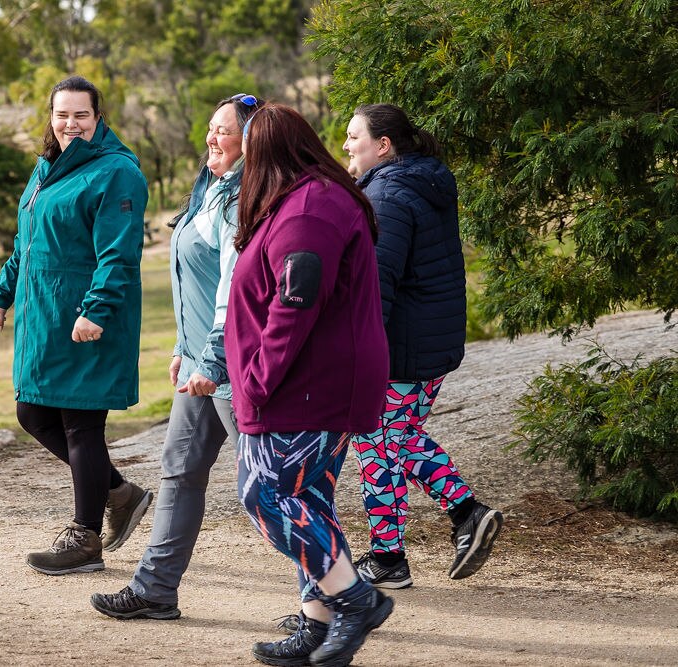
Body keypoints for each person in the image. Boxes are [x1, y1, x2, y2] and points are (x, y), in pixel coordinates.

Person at [90, 93, 265, 620]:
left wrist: (211, 362)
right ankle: (155, 590)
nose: (212, 138)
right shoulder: (209, 188)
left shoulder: (242, 201)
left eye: (224, 131)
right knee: (180, 471)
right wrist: (182, 350)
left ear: (251, 142)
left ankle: (334, 595)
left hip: (232, 368)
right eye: (210, 129)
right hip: (200, 364)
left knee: (272, 489)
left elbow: (232, 291)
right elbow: (195, 280)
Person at [228, 103, 392, 667]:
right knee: (309, 501)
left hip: (306, 384)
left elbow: (294, 306)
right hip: (304, 382)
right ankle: (318, 622)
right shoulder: (301, 201)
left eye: (249, 154)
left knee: (266, 495)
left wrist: (255, 379)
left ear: (267, 155)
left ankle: (355, 598)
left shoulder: (309, 212)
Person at [0, 76, 152, 576]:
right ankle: (120, 493)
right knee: (32, 414)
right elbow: (26, 242)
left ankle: (85, 539)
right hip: (43, 320)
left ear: (98, 118)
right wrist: (2, 292)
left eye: (81, 115)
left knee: (81, 424)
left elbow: (119, 254)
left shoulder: (116, 173)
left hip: (86, 319)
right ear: (51, 117)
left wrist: (96, 310)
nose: (70, 124)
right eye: (62, 114)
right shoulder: (45, 170)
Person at [343, 103, 503, 588]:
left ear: (383, 145)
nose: (347, 145)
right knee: (397, 438)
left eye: (354, 137)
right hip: (428, 342)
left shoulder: (388, 194)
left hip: (401, 347)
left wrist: (361, 350)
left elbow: (380, 280)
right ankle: (463, 515)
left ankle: (391, 556)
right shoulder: (419, 182)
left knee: (376, 441)